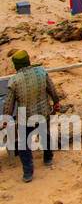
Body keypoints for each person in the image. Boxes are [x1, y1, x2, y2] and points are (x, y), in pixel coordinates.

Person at [2, 50, 62, 183]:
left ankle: (28, 173)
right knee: (44, 134)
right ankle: (48, 158)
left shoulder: (14, 81)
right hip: (43, 112)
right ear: (28, 60)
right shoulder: (41, 72)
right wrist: (56, 102)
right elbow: (52, 89)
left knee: (24, 144)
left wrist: (6, 118)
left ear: (16, 65)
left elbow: (9, 103)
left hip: (25, 116)